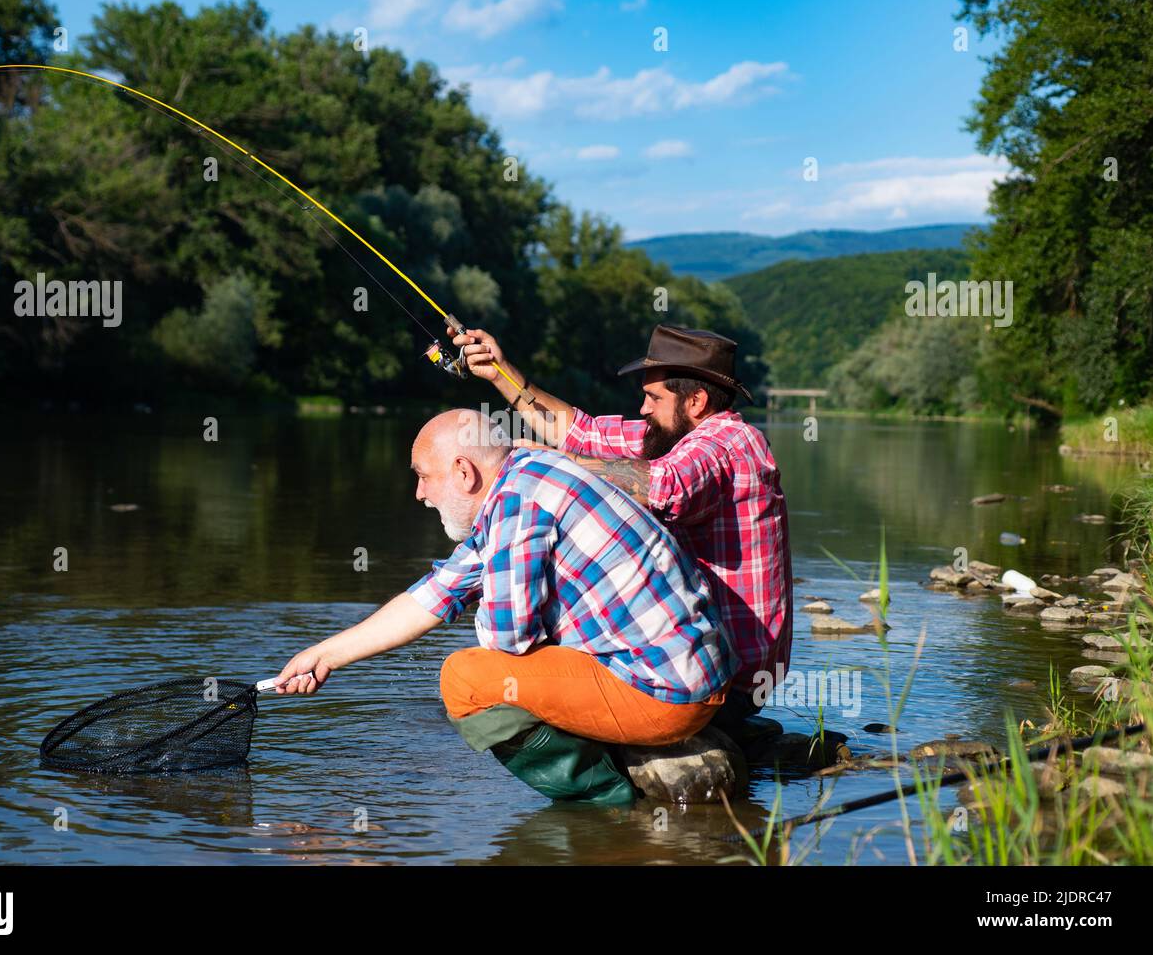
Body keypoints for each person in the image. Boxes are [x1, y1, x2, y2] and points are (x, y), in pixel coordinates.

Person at [273, 408, 735, 805]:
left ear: (462, 472)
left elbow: (505, 639)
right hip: (687, 672)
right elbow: (431, 595)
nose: (419, 494)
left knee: (467, 680)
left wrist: (487, 593)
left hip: (667, 692)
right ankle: (617, 764)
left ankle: (603, 798)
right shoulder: (525, 475)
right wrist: (326, 654)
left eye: (422, 476)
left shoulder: (518, 504)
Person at [449, 322, 791, 728]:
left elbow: (665, 485)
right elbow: (581, 432)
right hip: (697, 661)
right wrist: (501, 372)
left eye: (653, 396)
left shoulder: (730, 443)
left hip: (727, 680)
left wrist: (549, 467)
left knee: (488, 676)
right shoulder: (675, 435)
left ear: (696, 401)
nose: (644, 407)